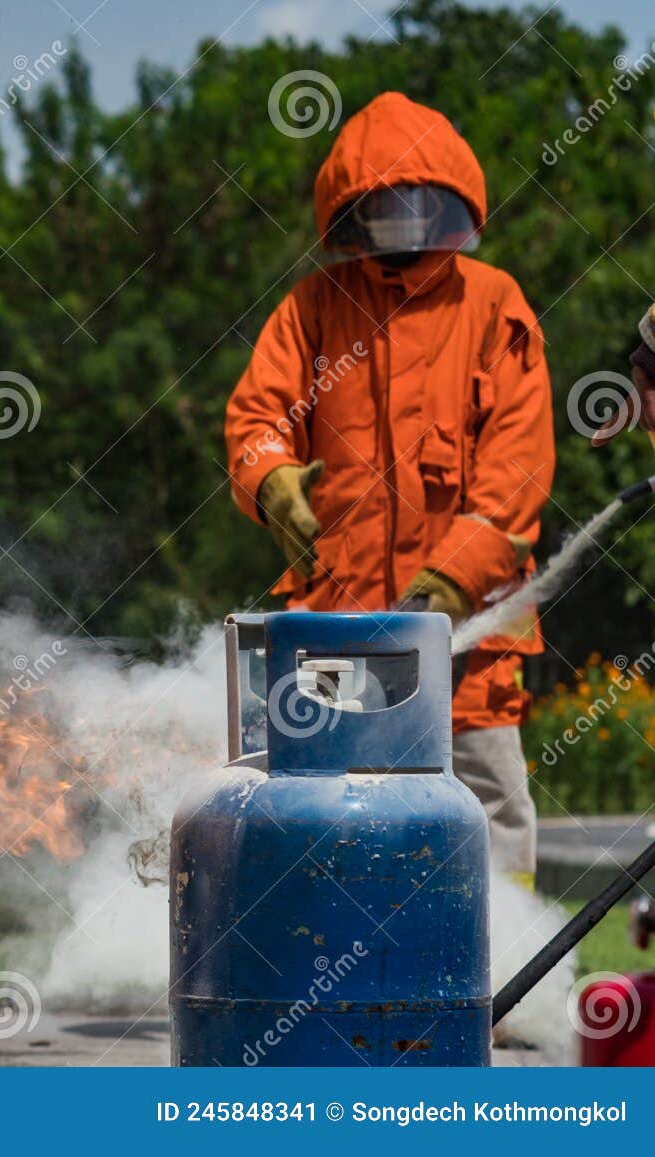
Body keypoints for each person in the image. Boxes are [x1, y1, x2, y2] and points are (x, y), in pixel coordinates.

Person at [225, 92, 555, 883]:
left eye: (419, 205)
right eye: (383, 209)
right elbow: (256, 419)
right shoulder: (310, 310)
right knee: (327, 820)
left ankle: (496, 996)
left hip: (469, 639)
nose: (403, 225)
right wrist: (272, 482)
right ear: (349, 214)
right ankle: (336, 984)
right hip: (336, 633)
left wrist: (455, 576)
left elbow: (518, 470)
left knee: (485, 810)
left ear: (455, 202)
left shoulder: (493, 304)